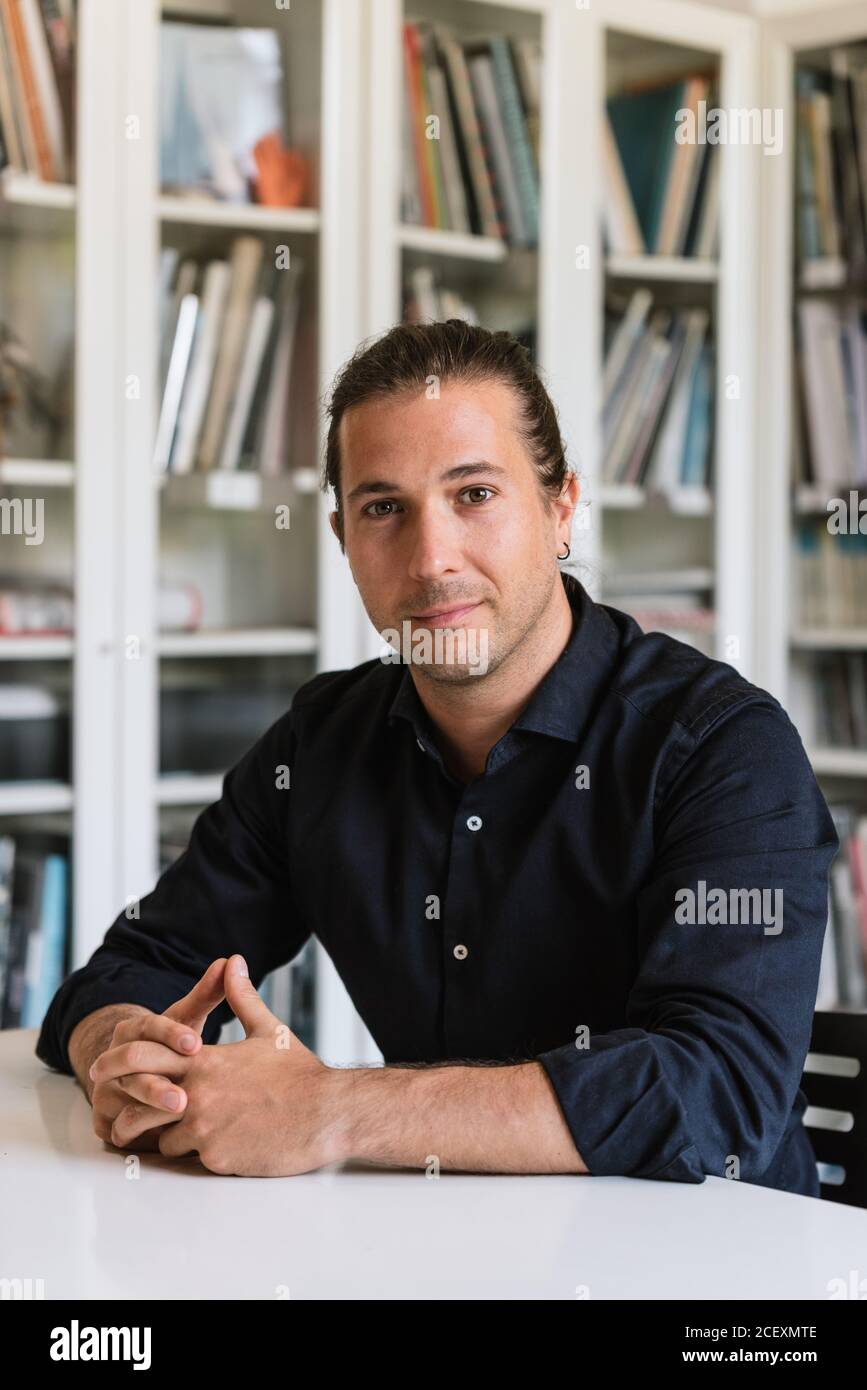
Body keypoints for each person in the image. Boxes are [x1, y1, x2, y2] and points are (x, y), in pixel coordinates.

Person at [37, 320, 838, 1189]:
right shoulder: (321, 743)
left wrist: (330, 1110)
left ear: (560, 507)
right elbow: (135, 966)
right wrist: (123, 1049)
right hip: (447, 1251)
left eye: (473, 495)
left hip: (719, 1273)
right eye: (384, 508)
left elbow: (717, 1089)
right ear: (343, 537)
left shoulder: (722, 746)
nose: (430, 560)